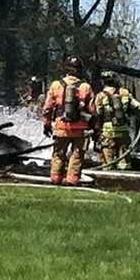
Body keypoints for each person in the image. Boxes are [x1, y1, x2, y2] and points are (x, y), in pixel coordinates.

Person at [42, 57, 95, 185]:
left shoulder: (56, 85)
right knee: (77, 155)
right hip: (80, 129)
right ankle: (72, 179)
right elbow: (93, 110)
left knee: (58, 153)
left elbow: (47, 107)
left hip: (61, 127)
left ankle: (55, 178)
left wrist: (47, 124)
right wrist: (94, 127)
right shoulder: (86, 87)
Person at [95, 70, 140, 170]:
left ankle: (108, 179)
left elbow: (97, 113)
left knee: (107, 162)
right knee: (124, 160)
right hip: (123, 131)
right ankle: (125, 178)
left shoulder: (101, 96)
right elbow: (139, 107)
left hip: (108, 132)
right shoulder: (125, 93)